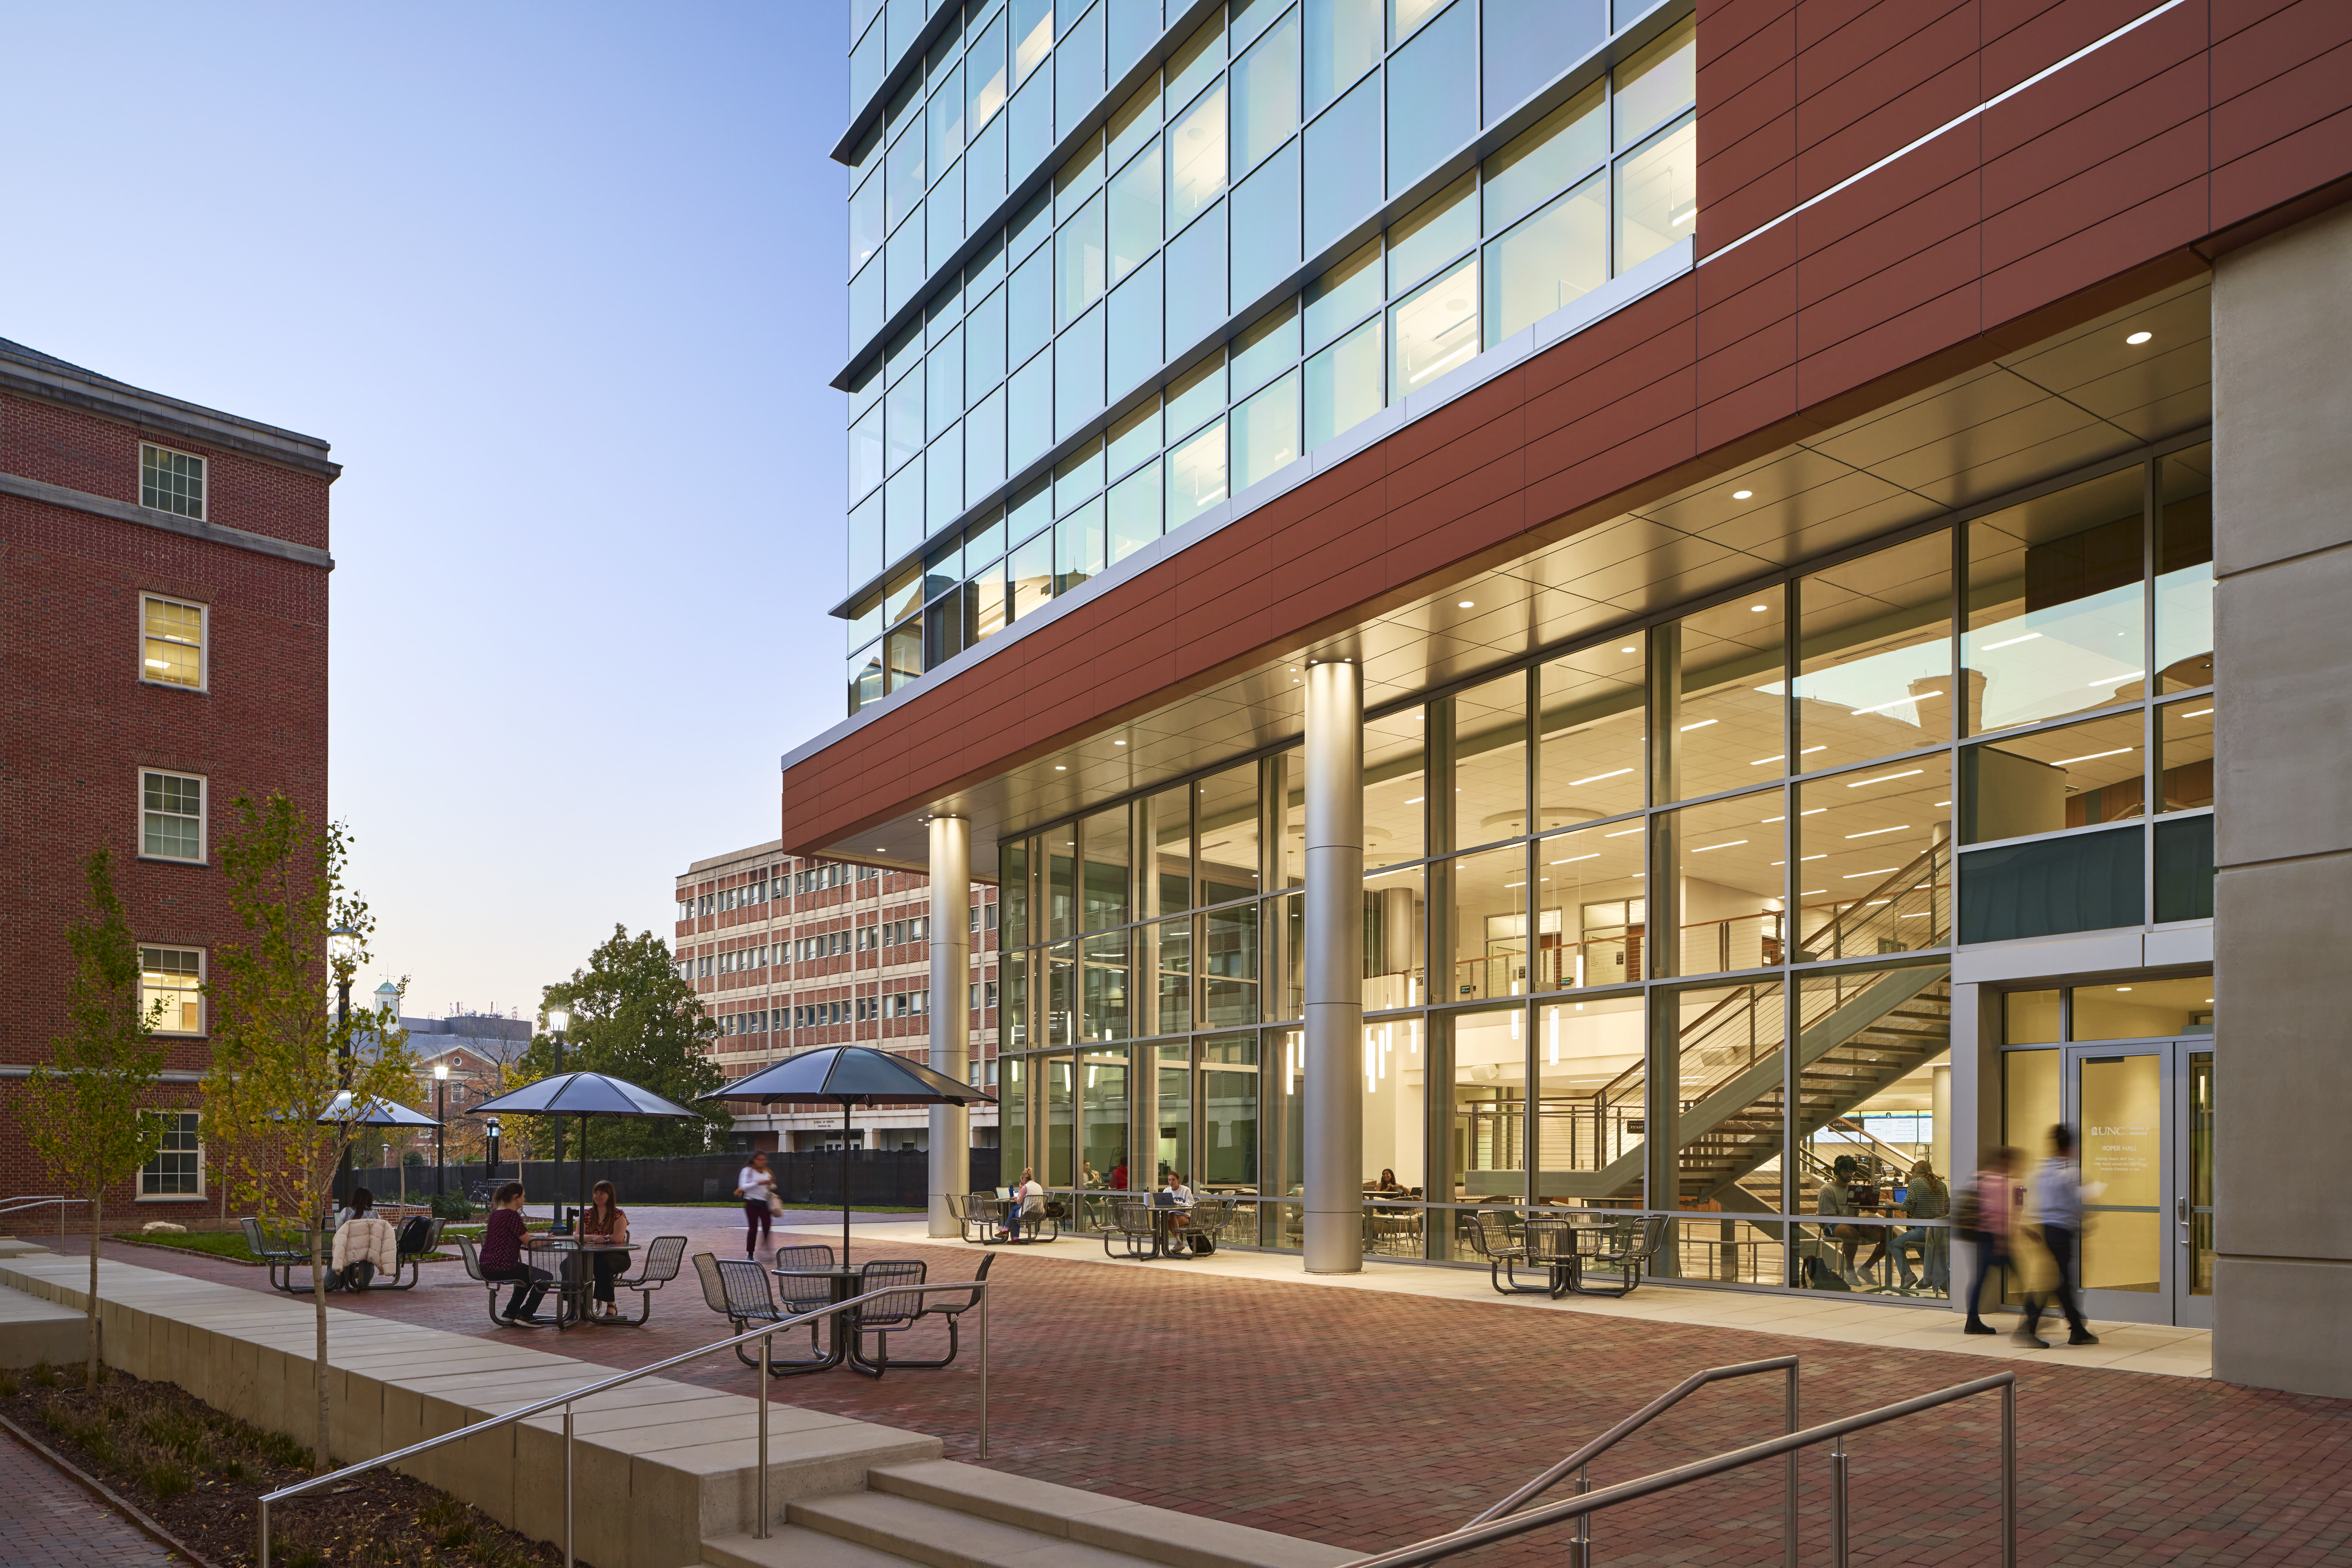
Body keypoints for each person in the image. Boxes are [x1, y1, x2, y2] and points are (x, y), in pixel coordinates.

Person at [2019, 1125, 2098, 1348]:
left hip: (2046, 1229)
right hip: (2062, 1232)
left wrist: (2031, 1223)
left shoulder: (2042, 1170)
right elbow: (2078, 1203)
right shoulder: (2072, 1172)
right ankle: (2031, 1328)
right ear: (2071, 1146)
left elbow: (2034, 1199)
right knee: (2057, 1282)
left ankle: (2077, 1329)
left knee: (2059, 1282)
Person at [1960, 1147, 2019, 1335]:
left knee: (1980, 1278)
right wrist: (2003, 1242)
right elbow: (1998, 1214)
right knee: (2019, 1276)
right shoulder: (2001, 1183)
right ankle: (2034, 1318)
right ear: (2005, 1162)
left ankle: (1973, 1320)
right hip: (1993, 1238)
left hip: (1980, 1235)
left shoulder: (1980, 1178)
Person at [479, 1181, 552, 1324]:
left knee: (526, 1276)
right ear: (516, 1197)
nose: (524, 1200)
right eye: (523, 1197)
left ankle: (510, 1313)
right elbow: (530, 1243)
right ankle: (526, 1315)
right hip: (502, 1267)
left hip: (487, 1266)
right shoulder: (512, 1216)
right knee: (545, 1277)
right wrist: (548, 1240)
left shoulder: (497, 1214)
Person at [1892, 1159, 1951, 1292]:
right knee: (1924, 1248)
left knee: (1894, 1244)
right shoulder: (1942, 1185)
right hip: (1941, 1232)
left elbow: (1906, 1206)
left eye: (1912, 1173)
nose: (1911, 1176)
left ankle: (1908, 1276)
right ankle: (1931, 1278)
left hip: (1924, 1230)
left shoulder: (1915, 1182)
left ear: (1916, 1171)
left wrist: (1891, 1204)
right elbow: (1947, 1208)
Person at [580, 1180, 631, 1321]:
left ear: (609, 1196)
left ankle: (611, 1304)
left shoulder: (618, 1215)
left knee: (602, 1265)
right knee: (570, 1264)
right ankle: (576, 1302)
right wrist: (593, 1237)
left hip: (617, 1256)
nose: (597, 1196)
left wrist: (602, 1239)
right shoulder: (587, 1214)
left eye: (601, 1193)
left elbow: (617, 1238)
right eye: (596, 1193)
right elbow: (577, 1235)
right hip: (592, 1255)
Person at [330, 1188, 397, 1292]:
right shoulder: (375, 1215)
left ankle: (327, 1283)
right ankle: (364, 1284)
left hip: (349, 1251)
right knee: (368, 1262)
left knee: (339, 1257)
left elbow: (339, 1231)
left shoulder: (345, 1212)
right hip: (369, 1251)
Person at [736, 1150, 777, 1259]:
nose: (762, 1162)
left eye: (764, 1160)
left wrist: (771, 1185)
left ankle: (766, 1248)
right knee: (753, 1229)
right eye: (760, 1159)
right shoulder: (748, 1171)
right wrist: (759, 1183)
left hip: (764, 1203)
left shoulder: (767, 1172)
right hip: (752, 1203)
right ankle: (750, 1254)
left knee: (767, 1226)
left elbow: (772, 1186)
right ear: (754, 1160)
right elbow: (743, 1186)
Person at [1000, 1167, 1043, 1241]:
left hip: (1028, 1213)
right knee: (1016, 1209)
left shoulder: (1025, 1187)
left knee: (1014, 1210)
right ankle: (1010, 1234)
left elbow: (1019, 1202)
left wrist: (1020, 1189)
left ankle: (1008, 1231)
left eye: (1022, 1180)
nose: (1022, 1182)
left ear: (1024, 1179)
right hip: (1039, 1213)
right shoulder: (1038, 1186)